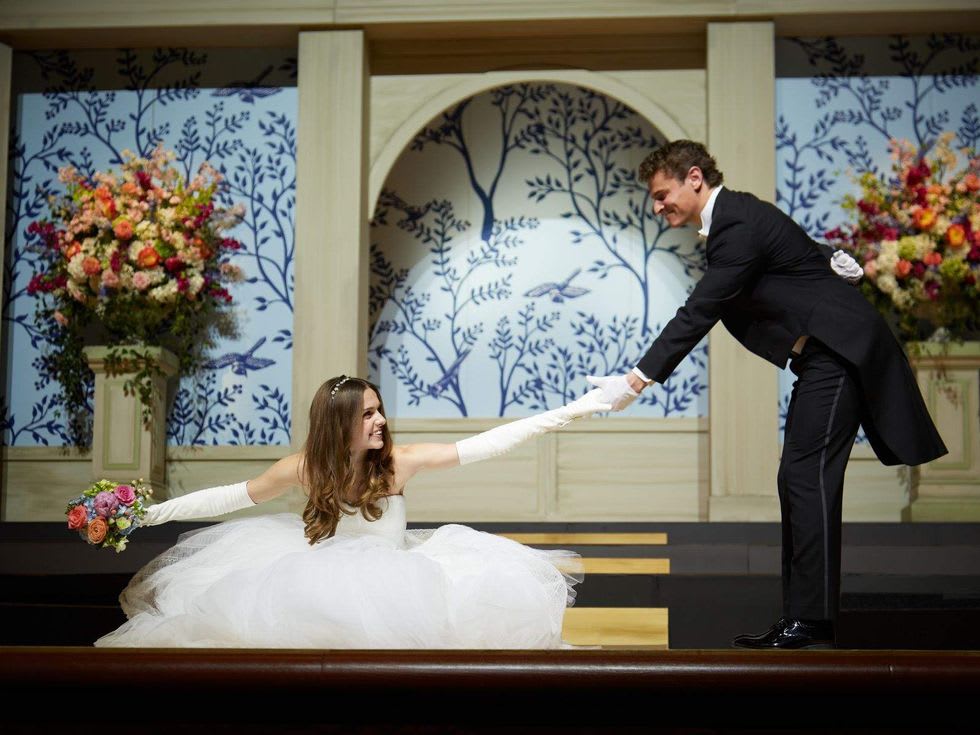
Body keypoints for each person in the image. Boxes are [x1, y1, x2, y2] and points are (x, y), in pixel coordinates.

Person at [587, 140, 947, 650]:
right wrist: (826, 256)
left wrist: (636, 379)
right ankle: (801, 618)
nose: (657, 206)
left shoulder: (736, 222)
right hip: (823, 358)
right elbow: (790, 252)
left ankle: (813, 623)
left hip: (839, 353)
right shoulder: (737, 219)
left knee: (805, 476)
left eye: (662, 194)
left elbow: (702, 308)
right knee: (798, 478)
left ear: (694, 178)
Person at [96, 376, 610, 649]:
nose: (381, 419)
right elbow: (229, 496)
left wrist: (576, 409)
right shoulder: (304, 468)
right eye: (367, 413)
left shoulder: (399, 464)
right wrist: (145, 514)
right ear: (339, 423)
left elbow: (490, 443)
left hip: (399, 581)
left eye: (378, 408)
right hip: (319, 577)